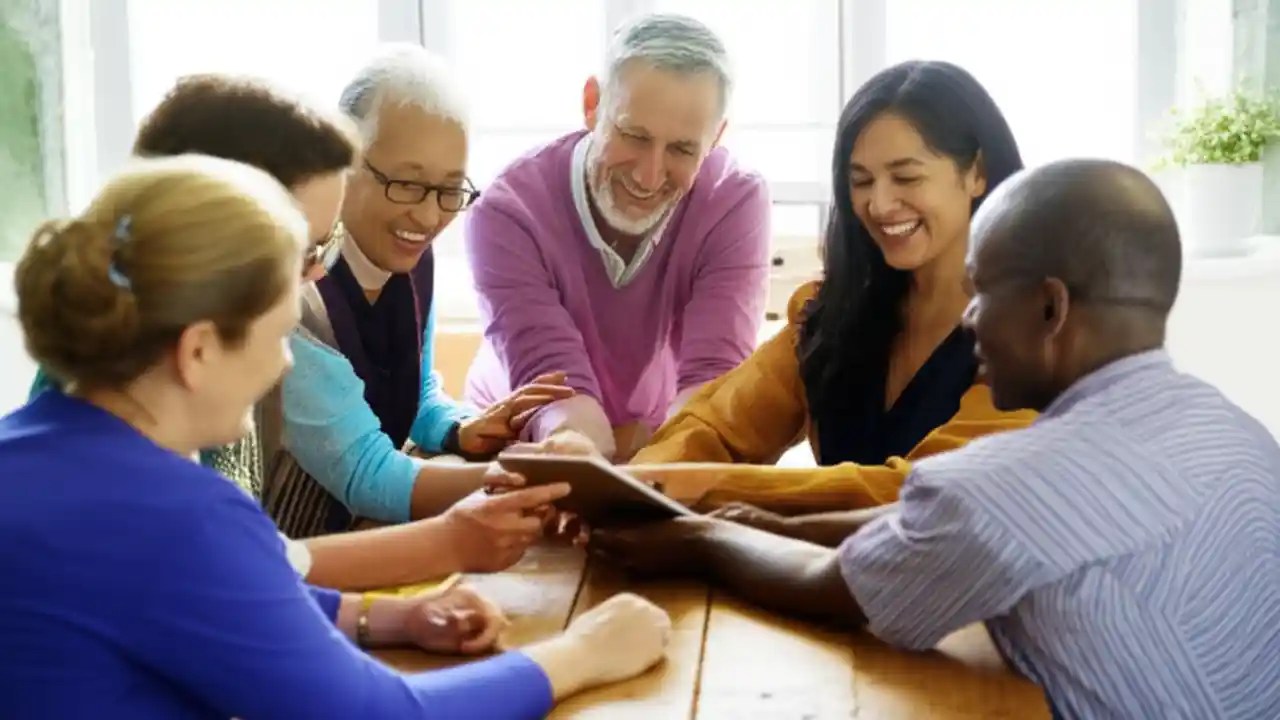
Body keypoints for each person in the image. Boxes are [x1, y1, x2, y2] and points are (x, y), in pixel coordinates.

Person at [589, 158, 1280, 719]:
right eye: (860, 180)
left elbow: (835, 585)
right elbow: (921, 519)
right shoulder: (1238, 434)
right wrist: (759, 519)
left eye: (982, 292)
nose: (970, 319)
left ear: (1049, 307)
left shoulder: (1013, 483)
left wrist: (703, 541)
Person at [0, 154, 673, 719]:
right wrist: (583, 652)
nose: (284, 363)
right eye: (277, 335)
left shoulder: (27, 449)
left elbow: (224, 589)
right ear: (199, 351)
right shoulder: (182, 516)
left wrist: (383, 618)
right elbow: (390, 715)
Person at [24, 74, 559, 591]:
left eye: (324, 245)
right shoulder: (142, 445)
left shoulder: (158, 395)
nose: (318, 273)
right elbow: (242, 572)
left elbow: (251, 561)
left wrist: (384, 613)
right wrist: (455, 539)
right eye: (303, 248)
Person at [542, 61, 1036, 531]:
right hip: (825, 590)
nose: (880, 203)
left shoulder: (1032, 337)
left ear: (976, 171)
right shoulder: (827, 315)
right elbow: (718, 429)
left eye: (906, 177)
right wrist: (628, 488)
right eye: (860, 181)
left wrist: (696, 485)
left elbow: (922, 494)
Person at [265, 45, 576, 539]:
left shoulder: (410, 262)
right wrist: (541, 477)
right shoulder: (291, 293)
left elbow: (415, 389)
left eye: (449, 189)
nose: (429, 217)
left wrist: (459, 428)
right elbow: (367, 474)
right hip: (293, 559)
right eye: (407, 185)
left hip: (364, 538)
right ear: (344, 158)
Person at [462, 13, 771, 462]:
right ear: (593, 104)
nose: (649, 175)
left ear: (716, 137)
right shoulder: (507, 213)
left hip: (662, 430)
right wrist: (593, 458)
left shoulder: (734, 202)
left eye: (683, 149)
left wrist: (659, 451)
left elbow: (712, 386)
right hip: (531, 435)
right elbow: (555, 390)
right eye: (633, 135)